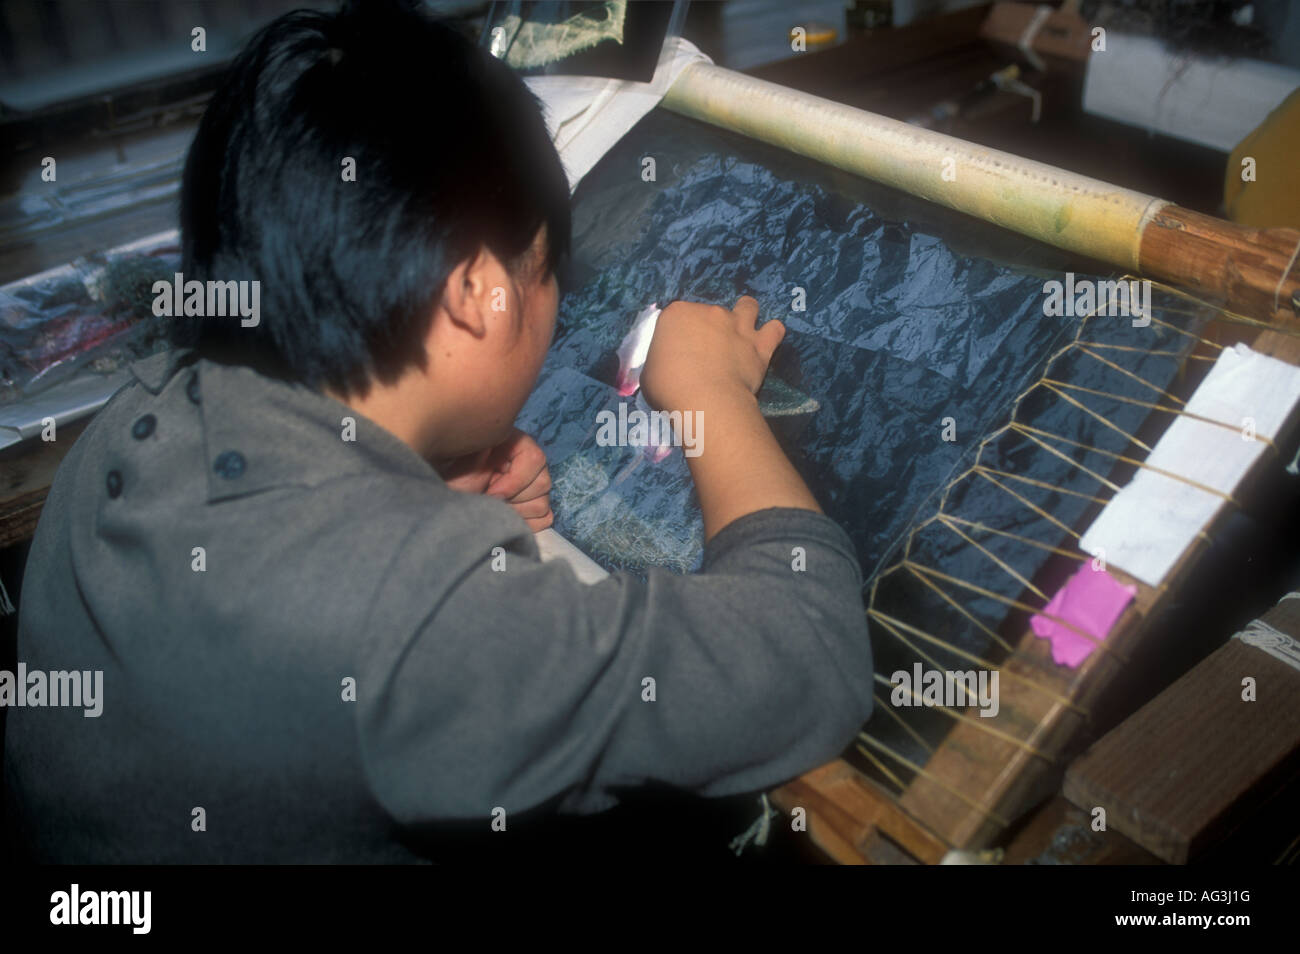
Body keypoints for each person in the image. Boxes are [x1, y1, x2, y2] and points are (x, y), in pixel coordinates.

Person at [3, 0, 872, 862]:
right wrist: (711, 397)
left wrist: (404, 483)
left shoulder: (135, 415)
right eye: (546, 272)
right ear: (475, 296)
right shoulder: (419, 621)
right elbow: (812, 656)